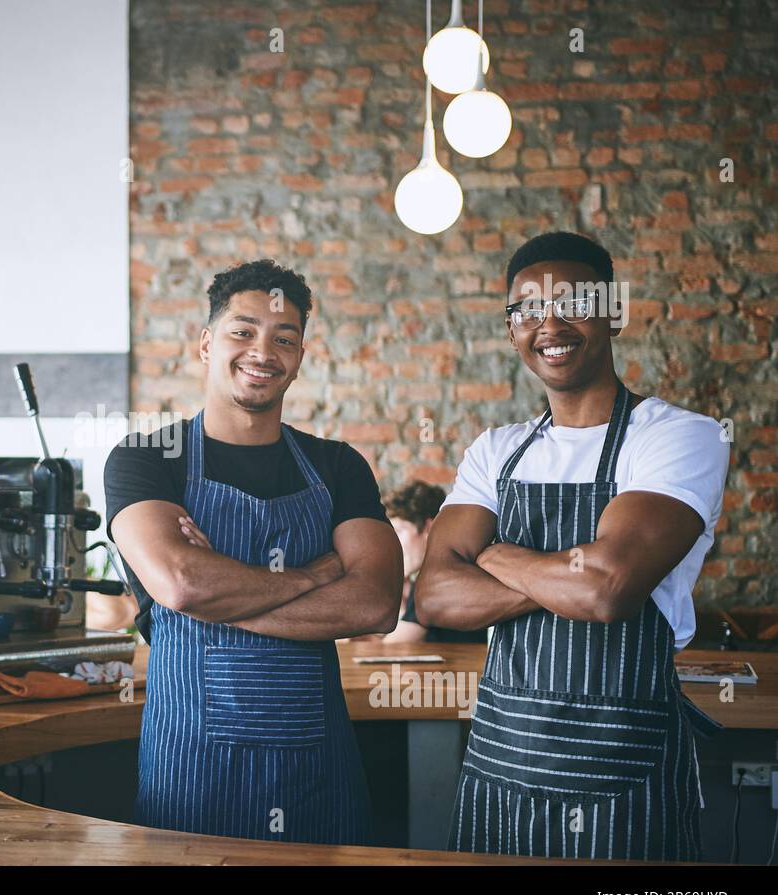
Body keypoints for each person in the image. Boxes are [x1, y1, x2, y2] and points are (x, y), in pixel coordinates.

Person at [415, 231, 729, 861]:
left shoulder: (679, 438)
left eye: (572, 302)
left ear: (614, 311)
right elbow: (435, 598)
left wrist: (495, 553)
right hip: (502, 764)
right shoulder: (495, 451)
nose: (548, 323)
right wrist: (564, 577)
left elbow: (607, 589)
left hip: (625, 770)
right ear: (511, 329)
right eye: (526, 308)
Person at [104, 259, 402, 845]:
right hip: (190, 768)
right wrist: (313, 575)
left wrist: (214, 597)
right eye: (243, 331)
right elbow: (183, 584)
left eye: (283, 338)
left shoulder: (337, 465)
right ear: (208, 344)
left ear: (299, 357)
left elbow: (375, 605)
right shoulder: (147, 458)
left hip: (316, 771)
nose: (262, 351)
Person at [373, 481, 485, 644]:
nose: (391, 544)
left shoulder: (435, 578)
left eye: (398, 531)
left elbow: (394, 646)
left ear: (429, 528)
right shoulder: (442, 570)